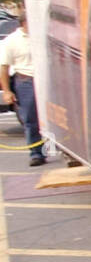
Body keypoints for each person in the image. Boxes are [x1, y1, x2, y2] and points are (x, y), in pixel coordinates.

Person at [0, 9, 45, 167]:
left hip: (46, 80)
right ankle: (36, 153)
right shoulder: (12, 41)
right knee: (31, 119)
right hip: (26, 81)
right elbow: (3, 67)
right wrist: (7, 91)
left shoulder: (42, 36)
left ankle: (59, 149)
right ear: (25, 23)